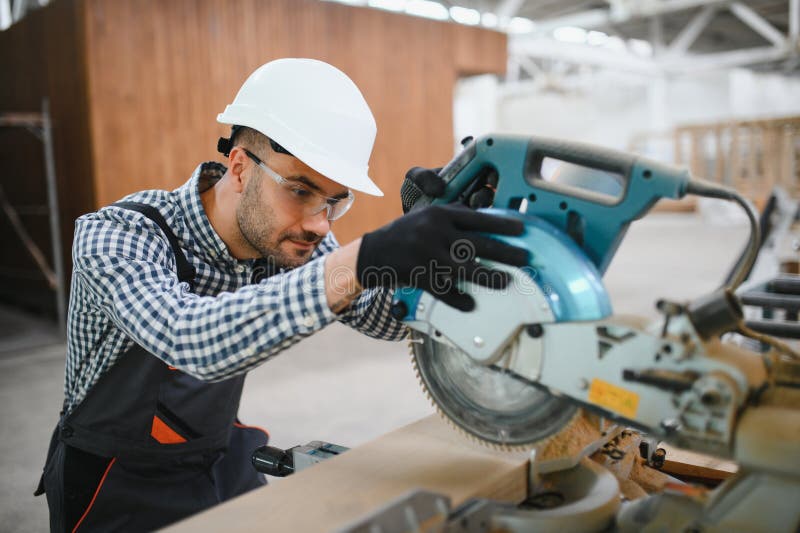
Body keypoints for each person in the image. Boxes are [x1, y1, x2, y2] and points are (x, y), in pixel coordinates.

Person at [36, 58, 528, 532]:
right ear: (239, 166)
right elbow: (191, 339)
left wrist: (428, 269)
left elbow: (380, 315)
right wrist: (362, 259)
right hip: (113, 481)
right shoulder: (118, 235)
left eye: (335, 202)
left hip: (216, 455)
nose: (318, 224)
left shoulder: (286, 238)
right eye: (299, 190)